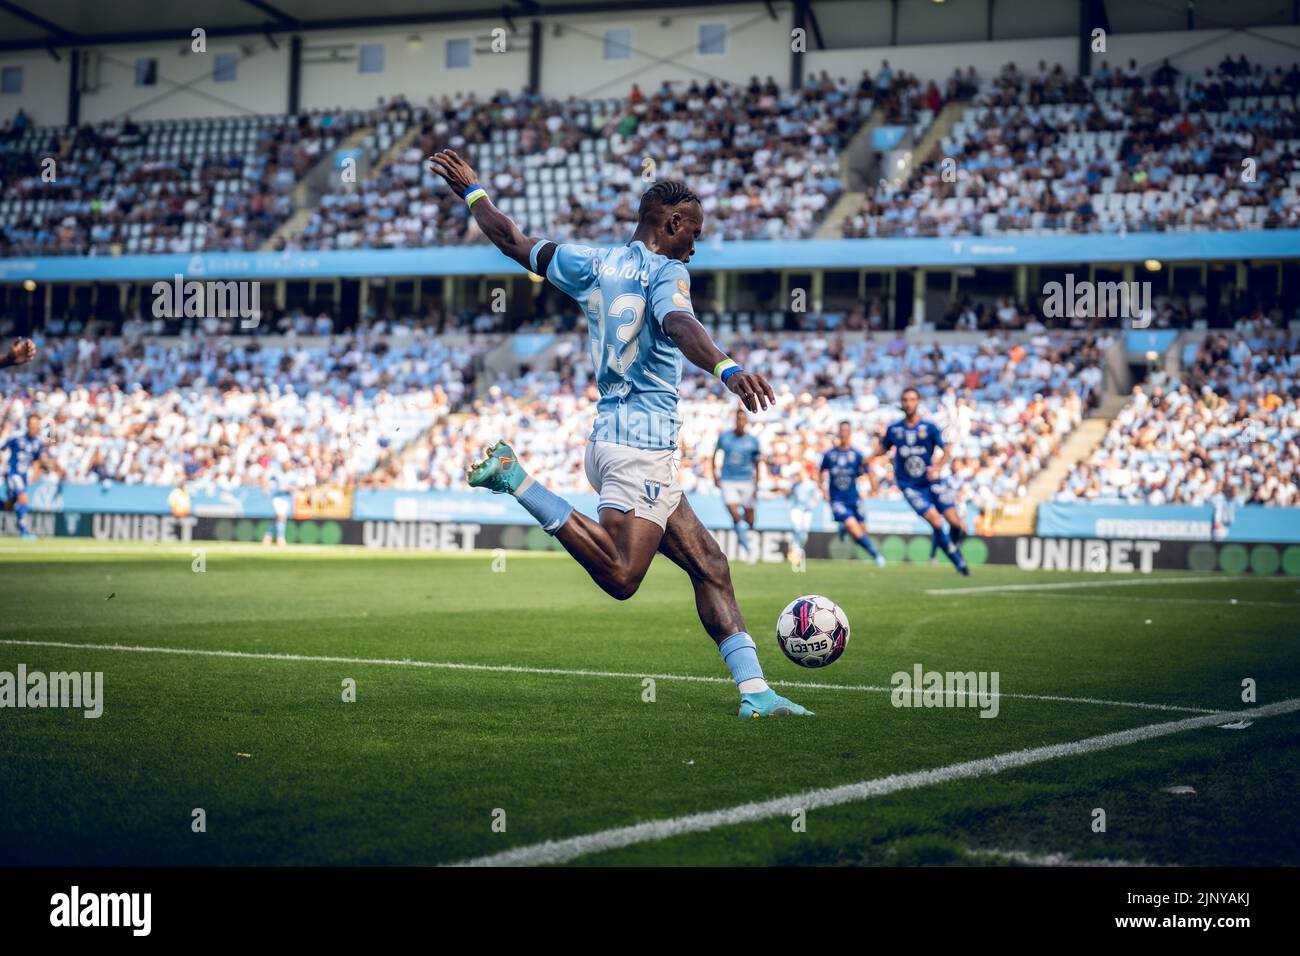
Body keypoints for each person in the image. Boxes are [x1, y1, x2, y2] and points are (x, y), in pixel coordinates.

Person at [427, 148, 811, 718]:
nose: (696, 247)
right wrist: (726, 368)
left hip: (618, 436)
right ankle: (518, 479)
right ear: (672, 223)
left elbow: (512, 241)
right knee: (623, 575)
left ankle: (755, 693)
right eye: (694, 233)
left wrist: (473, 193)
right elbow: (680, 322)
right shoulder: (668, 272)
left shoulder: (593, 262)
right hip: (640, 445)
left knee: (710, 564)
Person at [872, 388, 970, 575]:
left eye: (912, 399)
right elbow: (882, 450)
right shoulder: (894, 429)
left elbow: (947, 449)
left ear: (918, 402)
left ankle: (951, 547)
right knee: (936, 521)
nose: (908, 403)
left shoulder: (929, 427)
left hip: (932, 482)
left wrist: (938, 467)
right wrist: (869, 453)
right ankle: (958, 562)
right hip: (910, 486)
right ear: (901, 403)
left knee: (957, 524)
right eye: (905, 399)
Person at [819, 420, 886, 566]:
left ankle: (843, 528)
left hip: (854, 498)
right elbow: (821, 472)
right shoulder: (830, 454)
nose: (843, 434)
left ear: (850, 433)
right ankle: (876, 556)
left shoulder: (856, 454)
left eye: (846, 431)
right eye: (841, 431)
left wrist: (874, 487)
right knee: (854, 529)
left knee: (862, 531)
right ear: (838, 433)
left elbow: (868, 470)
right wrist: (822, 489)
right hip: (837, 500)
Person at [713, 408, 761, 559]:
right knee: (735, 514)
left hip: (747, 481)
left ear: (746, 422)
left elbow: (757, 463)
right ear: (735, 420)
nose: (740, 422)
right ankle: (749, 551)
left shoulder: (752, 441)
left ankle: (747, 539)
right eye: (738, 419)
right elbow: (714, 455)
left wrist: (756, 484)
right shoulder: (725, 437)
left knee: (749, 519)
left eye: (743, 419)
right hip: (728, 480)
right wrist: (715, 475)